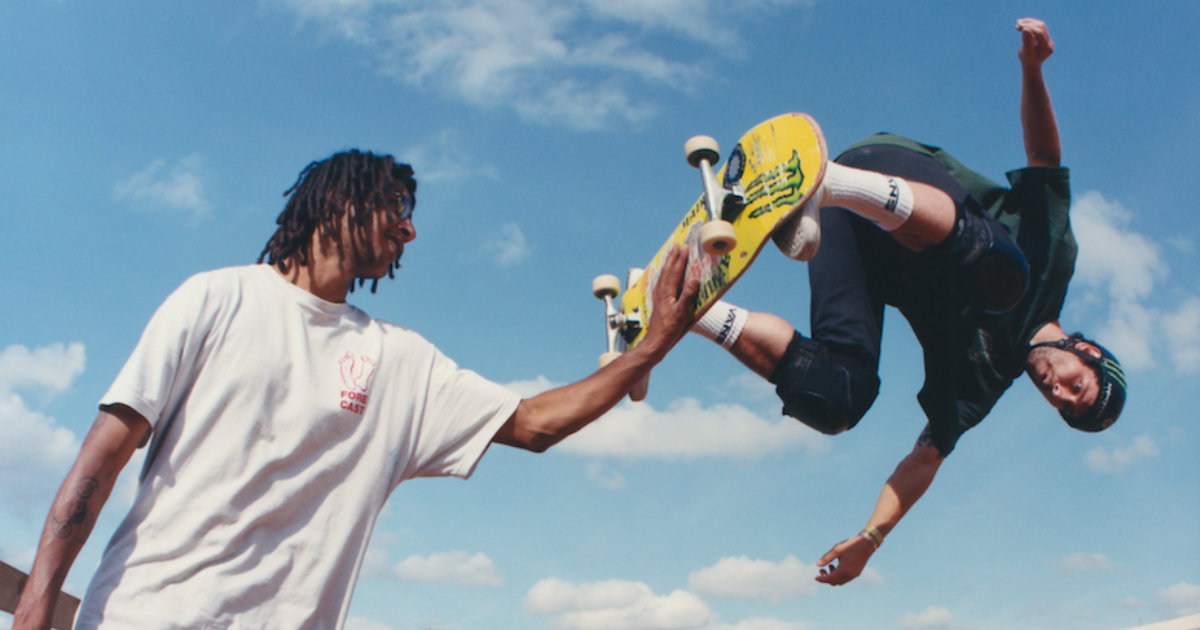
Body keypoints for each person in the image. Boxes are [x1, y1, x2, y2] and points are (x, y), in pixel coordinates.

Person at [13, 151, 700, 629]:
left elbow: (535, 424)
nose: (411, 226)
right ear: (339, 202)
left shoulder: (398, 360)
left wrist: (653, 344)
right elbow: (99, 464)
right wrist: (37, 608)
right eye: (396, 205)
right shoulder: (213, 299)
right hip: (147, 617)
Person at [690, 18, 1127, 585]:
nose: (1058, 392)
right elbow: (1044, 156)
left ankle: (692, 312)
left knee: (836, 398)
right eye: (1076, 385)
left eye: (1063, 406)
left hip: (847, 238)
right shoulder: (1055, 262)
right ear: (1086, 350)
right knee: (1004, 281)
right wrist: (1032, 69)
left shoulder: (978, 388)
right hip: (885, 172)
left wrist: (870, 540)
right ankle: (832, 184)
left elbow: (923, 461)